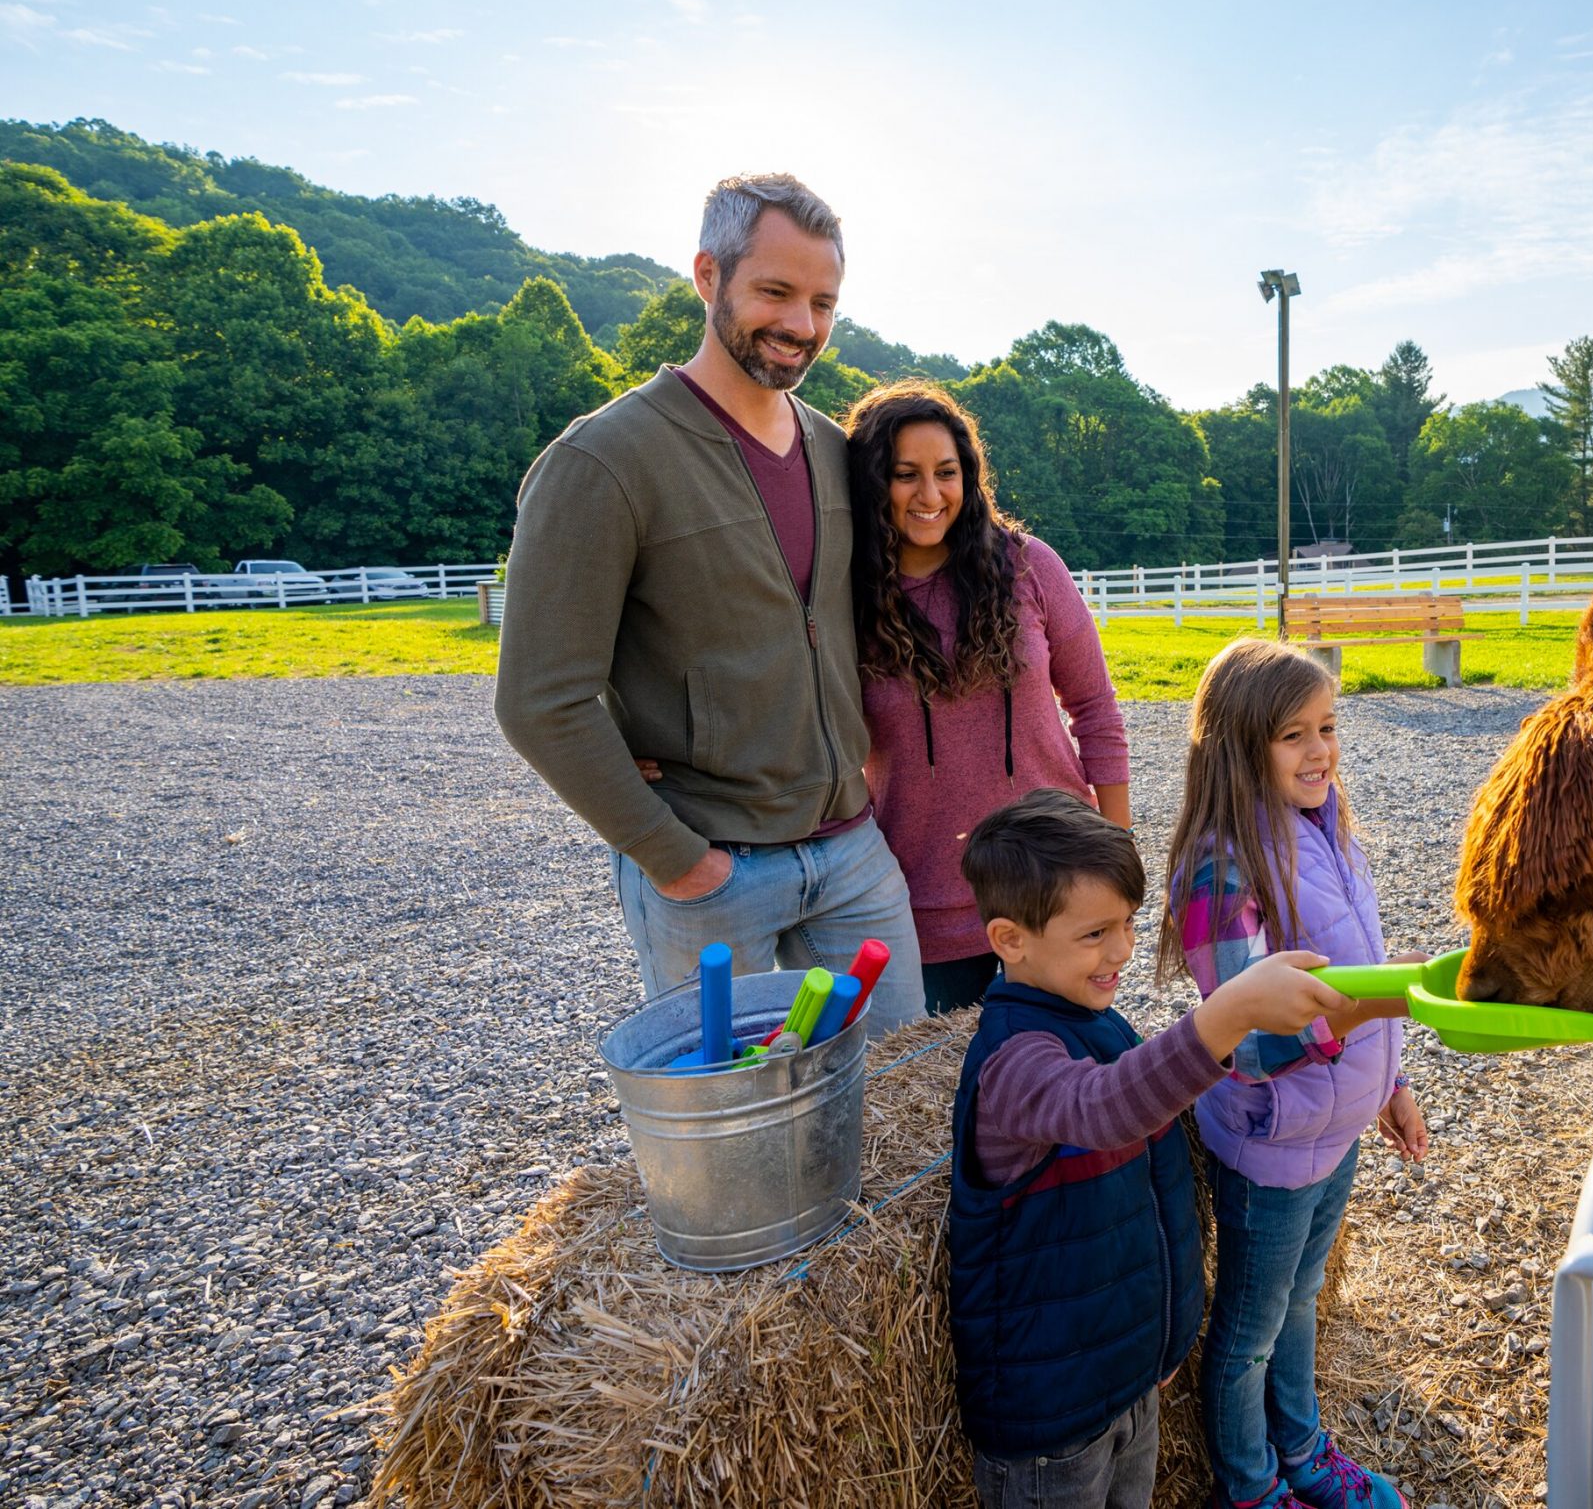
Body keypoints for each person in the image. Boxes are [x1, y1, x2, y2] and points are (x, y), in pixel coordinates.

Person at [494, 173, 923, 1029]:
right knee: (735, 1140)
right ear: (706, 275)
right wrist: (674, 857)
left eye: (823, 302)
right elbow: (540, 697)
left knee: (903, 1091)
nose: (802, 325)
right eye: (775, 291)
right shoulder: (604, 460)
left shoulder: (838, 452)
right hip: (710, 871)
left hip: (851, 850)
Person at [946, 789, 1356, 1509]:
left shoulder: (1098, 1023)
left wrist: (1167, 1343)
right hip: (1051, 1422)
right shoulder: (1012, 1062)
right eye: (1095, 933)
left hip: (1129, 1382)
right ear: (1011, 939)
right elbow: (1105, 1109)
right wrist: (1226, 1014)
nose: (1124, 950)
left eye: (1129, 924)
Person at [1159, 639, 1425, 1509]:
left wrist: (1390, 1084)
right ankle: (1251, 1483)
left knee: (1302, 1299)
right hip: (1270, 1144)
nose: (1321, 751)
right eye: (1293, 735)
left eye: (1328, 727)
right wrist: (1370, 1014)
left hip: (1334, 1129)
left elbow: (1362, 965)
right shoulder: (1219, 864)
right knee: (1247, 1331)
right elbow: (1241, 1041)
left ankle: (1304, 1450)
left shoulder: (1325, 829)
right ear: (1240, 746)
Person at [846, 379, 1130, 1015]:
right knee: (952, 1103)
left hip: (1062, 889)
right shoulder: (848, 600)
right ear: (870, 483)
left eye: (947, 472)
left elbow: (1097, 714)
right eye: (904, 474)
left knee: (1071, 1093)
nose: (930, 495)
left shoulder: (1029, 567)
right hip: (925, 908)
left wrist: (1117, 859)